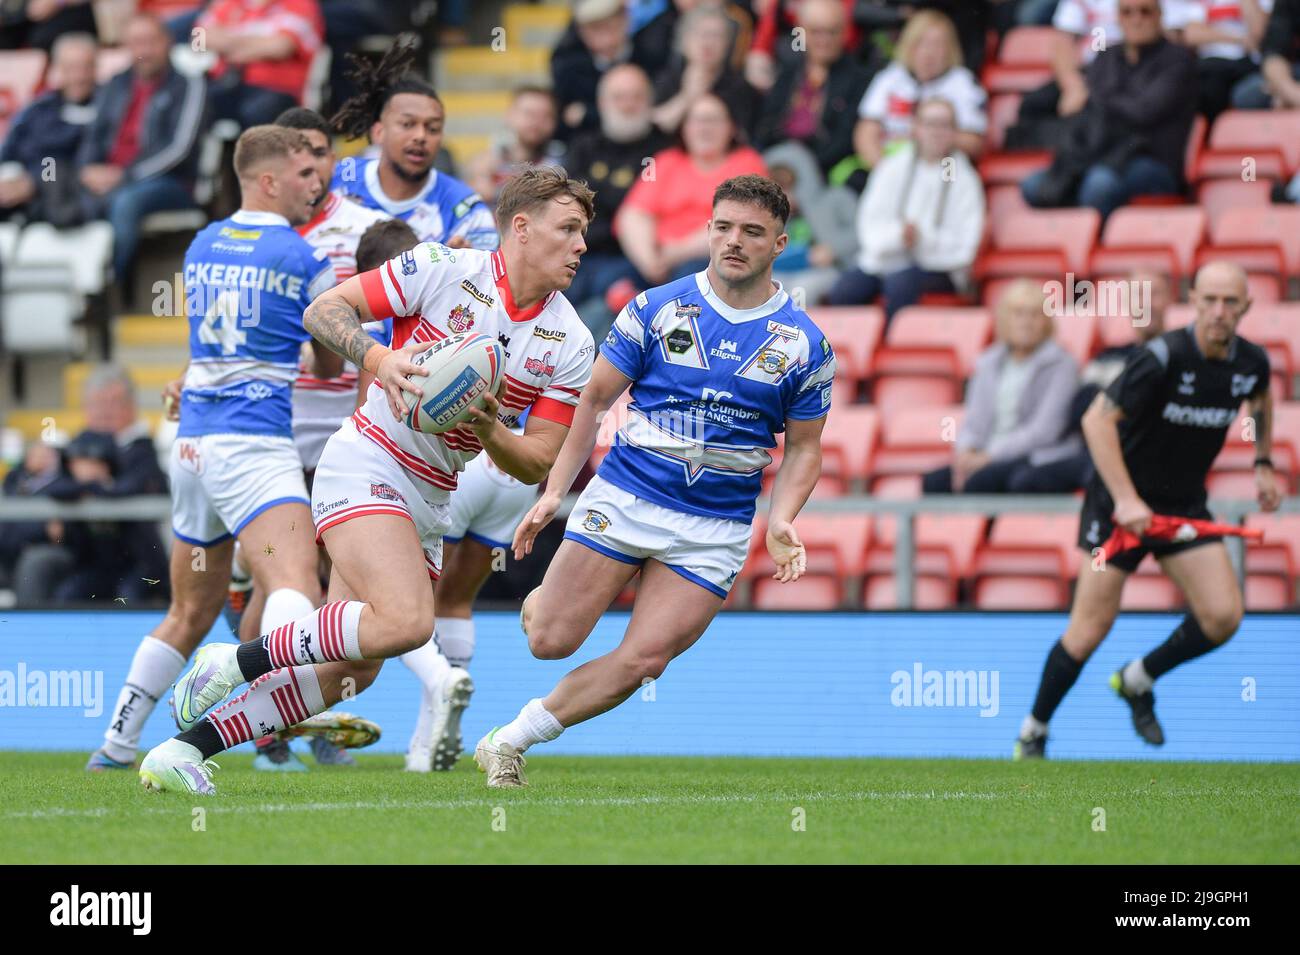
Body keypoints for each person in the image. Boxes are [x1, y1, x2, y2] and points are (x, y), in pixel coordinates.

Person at [137, 167, 598, 795]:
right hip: (369, 460)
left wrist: (489, 430)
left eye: (584, 231)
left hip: (435, 493)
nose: (581, 245)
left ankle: (181, 751)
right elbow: (325, 309)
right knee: (408, 623)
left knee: (349, 671)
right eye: (568, 228)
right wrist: (380, 359)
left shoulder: (570, 339)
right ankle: (234, 660)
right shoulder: (441, 267)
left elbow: (539, 460)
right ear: (521, 227)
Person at [474, 174, 836, 788]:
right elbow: (590, 403)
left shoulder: (805, 344)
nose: (733, 242)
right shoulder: (656, 307)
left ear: (780, 242)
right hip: (626, 499)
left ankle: (509, 741)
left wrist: (781, 519)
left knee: (646, 659)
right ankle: (547, 606)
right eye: (723, 227)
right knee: (549, 642)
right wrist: (556, 492)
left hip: (714, 527)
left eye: (752, 232)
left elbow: (804, 448)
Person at [87, 126, 335, 773]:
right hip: (253, 441)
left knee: (190, 607)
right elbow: (330, 351)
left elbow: (219, 339)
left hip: (192, 442)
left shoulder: (204, 244)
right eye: (303, 174)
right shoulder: (301, 255)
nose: (316, 184)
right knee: (295, 585)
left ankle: (116, 742)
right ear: (268, 179)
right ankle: (263, 724)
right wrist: (321, 348)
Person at [1015, 261, 1280, 759]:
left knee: (1223, 616)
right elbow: (1097, 422)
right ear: (1194, 301)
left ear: (1246, 307)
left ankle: (1138, 679)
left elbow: (1261, 399)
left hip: (1181, 507)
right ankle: (1034, 730)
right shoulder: (1162, 357)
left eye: (1229, 302)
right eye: (1209, 300)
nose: (1218, 311)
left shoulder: (1252, 363)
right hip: (1115, 509)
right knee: (1089, 628)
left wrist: (1264, 462)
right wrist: (1126, 499)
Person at [1020, 0, 1196, 218]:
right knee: (1035, 185)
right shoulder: (1107, 56)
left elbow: (1143, 111)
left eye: (1145, 12)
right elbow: (1096, 106)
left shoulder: (1177, 59)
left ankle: (1095, 245)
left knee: (1098, 184)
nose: (1136, 19)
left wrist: (1100, 99)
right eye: (1127, 13)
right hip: (1101, 153)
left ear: (1160, 16)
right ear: (1118, 18)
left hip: (1153, 161)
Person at [76, 12, 207, 282]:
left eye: (151, 41)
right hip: (112, 178)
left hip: (170, 182)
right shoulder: (115, 84)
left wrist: (124, 176)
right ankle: (78, 285)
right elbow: (92, 135)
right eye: (136, 43)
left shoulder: (188, 84)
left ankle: (116, 286)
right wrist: (87, 170)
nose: (144, 51)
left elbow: (179, 149)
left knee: (125, 202)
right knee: (60, 194)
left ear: (167, 42)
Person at [329, 40, 497, 250]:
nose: (421, 136)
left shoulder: (465, 209)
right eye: (408, 124)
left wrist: (461, 270)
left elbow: (489, 277)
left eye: (433, 128)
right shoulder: (336, 178)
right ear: (379, 132)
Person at [828, 97, 984, 319]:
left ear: (955, 132)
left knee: (900, 283)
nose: (936, 132)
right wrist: (898, 236)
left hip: (940, 267)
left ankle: (894, 348)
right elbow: (869, 225)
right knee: (845, 289)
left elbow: (966, 246)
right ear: (915, 127)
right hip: (888, 258)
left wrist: (922, 239)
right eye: (930, 124)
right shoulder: (893, 167)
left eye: (944, 125)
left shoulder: (963, 177)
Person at [922, 279, 1080, 493]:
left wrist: (989, 456)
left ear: (1046, 321)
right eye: (1018, 314)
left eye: (1035, 314)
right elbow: (974, 421)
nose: (1026, 322)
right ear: (1005, 319)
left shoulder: (1063, 364)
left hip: (1035, 457)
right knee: (934, 482)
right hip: (986, 455)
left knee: (981, 481)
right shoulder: (987, 362)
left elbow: (1045, 431)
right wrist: (966, 452)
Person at [561, 63, 670, 337]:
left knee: (609, 302)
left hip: (634, 260)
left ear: (650, 100)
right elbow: (567, 204)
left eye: (636, 96)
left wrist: (603, 198)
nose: (627, 105)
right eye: (618, 97)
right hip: (579, 252)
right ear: (602, 102)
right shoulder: (582, 146)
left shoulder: (666, 148)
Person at [616, 93, 767, 287]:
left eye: (714, 120)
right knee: (611, 281)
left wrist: (677, 252)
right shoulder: (665, 161)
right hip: (658, 259)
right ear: (684, 128)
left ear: (732, 128)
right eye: (697, 121)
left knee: (689, 278)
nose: (705, 128)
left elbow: (738, 223)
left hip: (714, 258)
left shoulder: (747, 162)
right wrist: (649, 260)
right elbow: (634, 214)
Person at [853, 9, 987, 174]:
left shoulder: (962, 82)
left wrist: (933, 134)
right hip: (892, 164)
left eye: (937, 45)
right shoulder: (890, 77)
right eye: (921, 44)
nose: (928, 53)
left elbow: (975, 143)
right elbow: (865, 133)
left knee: (951, 174)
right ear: (908, 45)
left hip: (945, 162)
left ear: (950, 49)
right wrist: (885, 172)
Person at [752, 0, 872, 182]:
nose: (824, 40)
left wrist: (797, 171)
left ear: (844, 32)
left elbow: (844, 141)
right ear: (801, 32)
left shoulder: (858, 78)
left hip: (821, 170)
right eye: (816, 32)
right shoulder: (788, 71)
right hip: (776, 161)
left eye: (832, 32)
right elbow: (764, 124)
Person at [0, 32, 98, 224]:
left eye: (85, 67)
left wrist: (34, 181)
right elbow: (8, 151)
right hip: (21, 184)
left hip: (63, 190)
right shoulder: (38, 108)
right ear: (58, 69)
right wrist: (11, 178)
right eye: (70, 68)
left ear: (95, 68)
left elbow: (64, 162)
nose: (78, 76)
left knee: (51, 168)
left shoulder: (107, 107)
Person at [195, 0, 325, 128]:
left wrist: (227, 43)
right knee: (195, 103)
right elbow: (198, 39)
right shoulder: (229, 3)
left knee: (257, 112)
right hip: (228, 83)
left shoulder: (299, 4)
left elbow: (280, 47)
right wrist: (258, 45)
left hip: (277, 88)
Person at [550, 0, 664, 140]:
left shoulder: (651, 56)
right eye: (595, 28)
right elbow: (565, 118)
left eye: (610, 25)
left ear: (625, 20)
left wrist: (587, 114)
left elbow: (659, 109)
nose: (604, 36)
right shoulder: (568, 67)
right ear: (581, 32)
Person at [652, 4, 760, 138]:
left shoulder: (740, 88)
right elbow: (653, 129)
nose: (707, 43)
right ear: (684, 41)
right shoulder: (667, 79)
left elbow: (744, 137)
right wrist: (687, 97)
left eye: (716, 36)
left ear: (727, 44)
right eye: (701, 34)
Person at [1166, 0, 1273, 120]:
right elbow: (1190, 34)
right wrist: (1240, 39)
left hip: (1252, 65)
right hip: (1210, 66)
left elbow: (1261, 33)